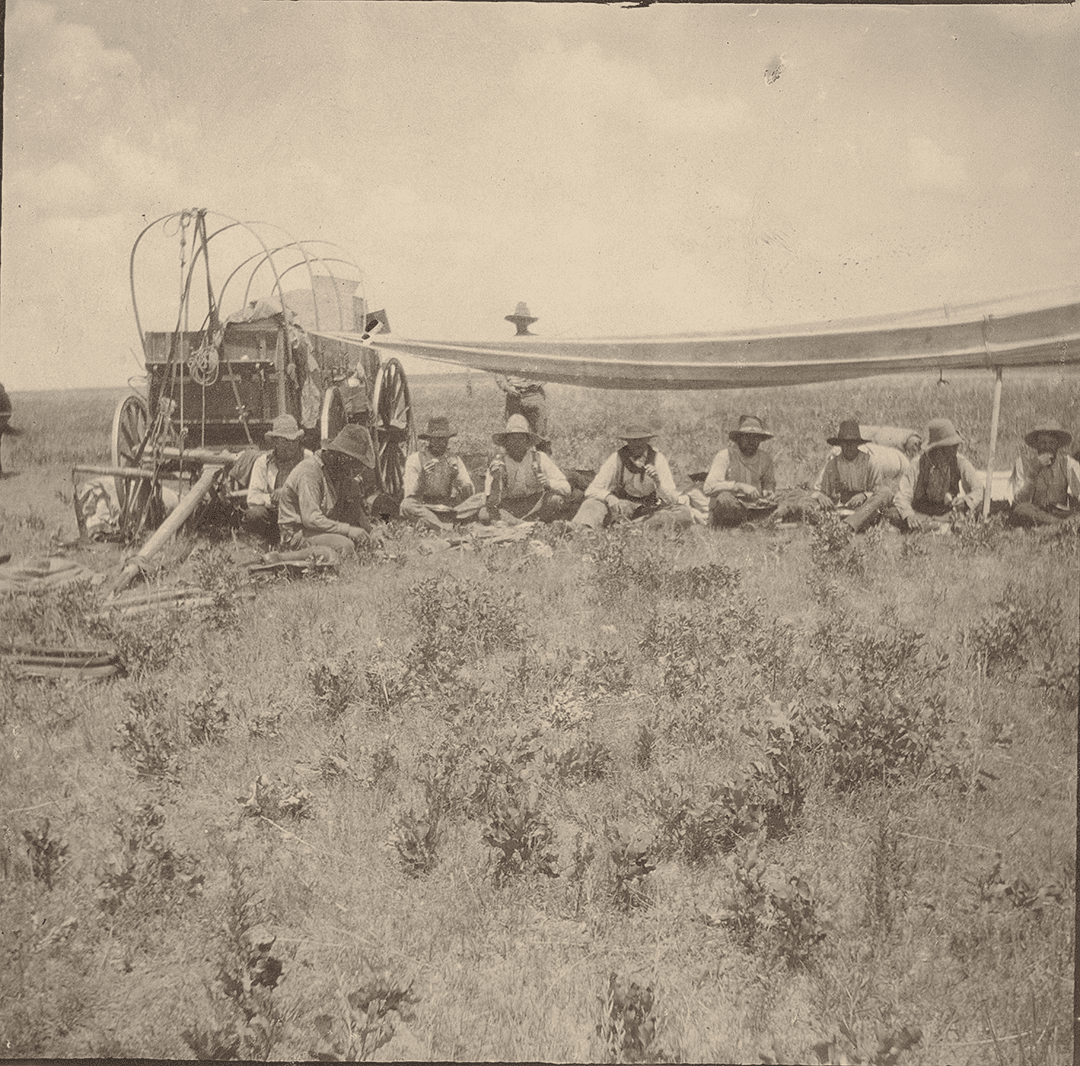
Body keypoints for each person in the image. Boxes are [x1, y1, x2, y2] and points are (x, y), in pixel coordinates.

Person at [277, 425, 383, 556]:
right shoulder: (310, 472)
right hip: (298, 534)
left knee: (353, 487)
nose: (353, 471)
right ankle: (289, 556)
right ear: (341, 457)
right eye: (353, 465)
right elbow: (311, 519)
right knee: (345, 546)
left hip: (320, 530)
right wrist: (348, 530)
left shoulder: (340, 475)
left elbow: (357, 512)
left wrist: (371, 532)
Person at [572, 425, 693, 530]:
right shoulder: (617, 458)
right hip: (621, 508)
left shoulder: (658, 459)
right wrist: (609, 497)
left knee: (683, 512)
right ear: (627, 441)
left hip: (649, 511)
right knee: (591, 503)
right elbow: (591, 490)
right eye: (632, 441)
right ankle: (581, 529)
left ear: (647, 440)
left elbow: (672, 500)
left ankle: (628, 529)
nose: (636, 444)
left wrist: (657, 482)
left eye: (640, 440)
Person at [472, 414, 573, 524]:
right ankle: (525, 525)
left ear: (527, 441)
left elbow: (566, 488)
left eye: (521, 438)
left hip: (535, 505)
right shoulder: (498, 463)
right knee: (484, 513)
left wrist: (548, 483)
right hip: (508, 507)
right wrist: (496, 481)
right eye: (513, 438)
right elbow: (491, 502)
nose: (517, 443)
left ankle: (517, 524)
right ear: (506, 442)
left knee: (555, 500)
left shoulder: (539, 458)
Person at [811, 420, 905, 533]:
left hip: (866, 509)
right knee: (806, 502)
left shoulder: (870, 462)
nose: (849, 447)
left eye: (852, 443)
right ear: (840, 444)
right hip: (840, 508)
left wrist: (864, 495)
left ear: (858, 444)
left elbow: (878, 491)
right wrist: (821, 496)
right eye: (845, 443)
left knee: (886, 492)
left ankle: (848, 525)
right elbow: (817, 490)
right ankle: (854, 524)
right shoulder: (832, 464)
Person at [892, 418, 980, 531]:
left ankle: (939, 526)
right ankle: (935, 526)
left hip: (947, 513)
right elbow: (902, 496)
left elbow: (979, 489)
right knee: (893, 513)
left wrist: (966, 501)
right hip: (919, 512)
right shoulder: (918, 464)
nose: (954, 451)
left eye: (955, 446)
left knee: (980, 507)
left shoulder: (959, 462)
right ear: (937, 450)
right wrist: (909, 515)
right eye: (950, 447)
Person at [242, 415, 312, 544]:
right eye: (285, 441)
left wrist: (286, 494)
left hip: (300, 514)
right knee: (253, 515)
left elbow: (314, 491)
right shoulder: (263, 462)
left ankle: (299, 539)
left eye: (295, 441)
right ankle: (271, 539)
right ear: (275, 442)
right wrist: (271, 499)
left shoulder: (307, 458)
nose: (291, 446)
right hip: (275, 515)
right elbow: (252, 497)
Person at [400, 416, 477, 532]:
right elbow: (410, 495)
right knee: (406, 505)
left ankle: (439, 523)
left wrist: (457, 479)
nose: (441, 443)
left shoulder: (454, 459)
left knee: (481, 498)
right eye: (437, 439)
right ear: (429, 440)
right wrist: (423, 478)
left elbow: (469, 494)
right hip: (425, 507)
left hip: (448, 507)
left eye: (444, 439)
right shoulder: (415, 459)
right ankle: (447, 527)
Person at [703, 415, 777, 528]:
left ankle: (755, 523)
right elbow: (708, 487)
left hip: (755, 506)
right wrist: (738, 486)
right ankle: (751, 523)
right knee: (724, 499)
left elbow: (769, 482)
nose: (751, 441)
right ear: (739, 438)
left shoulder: (765, 458)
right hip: (733, 506)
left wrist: (769, 490)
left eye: (756, 438)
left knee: (790, 496)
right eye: (747, 437)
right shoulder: (725, 456)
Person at [1008, 421, 1080, 527]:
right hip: (1034, 513)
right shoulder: (1023, 463)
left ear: (1057, 444)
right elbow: (1017, 502)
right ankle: (1060, 525)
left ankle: (1059, 523)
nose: (1047, 447)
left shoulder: (1068, 463)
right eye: (1043, 443)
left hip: (1060, 513)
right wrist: (1033, 472)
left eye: (1051, 443)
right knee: (1021, 510)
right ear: (1036, 445)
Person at [494, 374, 550, 453]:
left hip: (534, 394)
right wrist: (507, 387)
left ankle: (542, 458)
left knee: (540, 434)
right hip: (513, 395)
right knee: (514, 432)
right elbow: (499, 373)